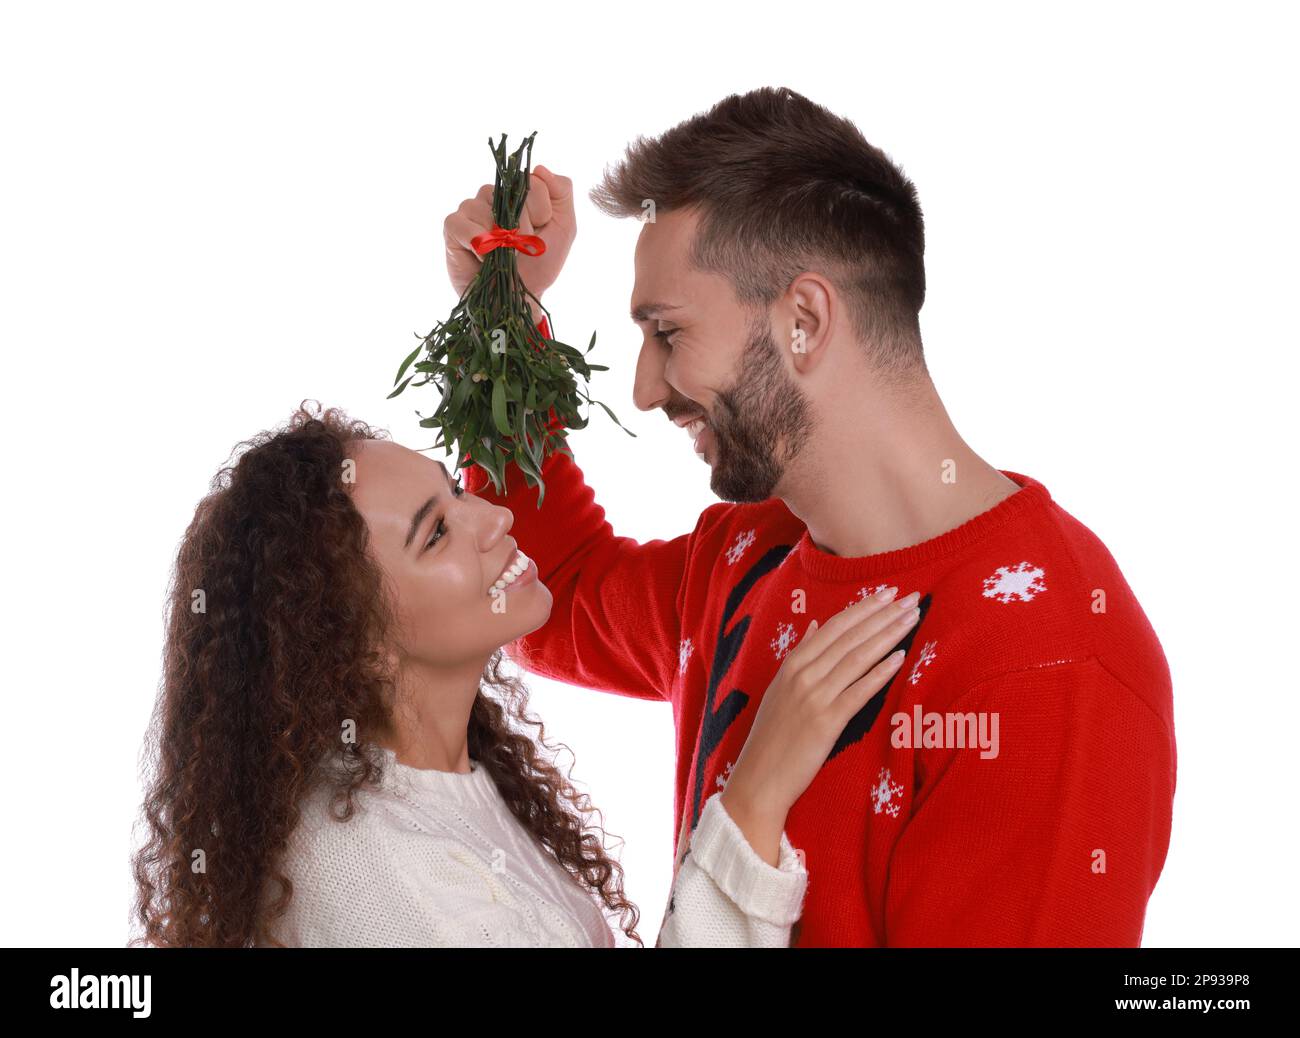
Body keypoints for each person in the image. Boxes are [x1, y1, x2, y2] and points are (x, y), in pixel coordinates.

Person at [441, 86, 1177, 947]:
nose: (643, 390)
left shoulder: (1050, 667)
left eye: (668, 333)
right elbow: (542, 588)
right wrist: (498, 314)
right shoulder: (748, 556)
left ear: (805, 320)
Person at [130, 402, 918, 947]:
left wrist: (502, 307)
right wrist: (753, 795)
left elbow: (579, 577)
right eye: (437, 533)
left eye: (457, 490)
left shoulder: (434, 782)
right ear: (349, 641)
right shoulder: (364, 874)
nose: (495, 518)